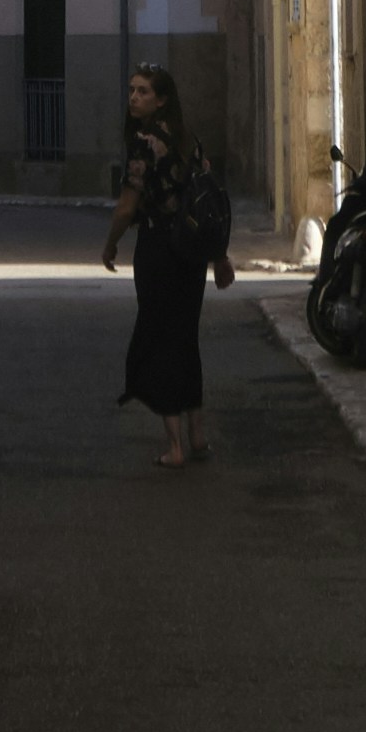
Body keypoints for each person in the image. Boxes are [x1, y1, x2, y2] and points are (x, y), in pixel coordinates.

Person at [101, 62, 221, 466]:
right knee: (185, 337)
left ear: (162, 99)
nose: (134, 98)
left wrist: (110, 246)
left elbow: (125, 208)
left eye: (144, 92)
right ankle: (198, 434)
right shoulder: (189, 141)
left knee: (159, 339)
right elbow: (208, 203)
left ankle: (174, 446)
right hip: (190, 253)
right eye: (132, 90)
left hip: (158, 248)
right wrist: (219, 257)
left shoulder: (143, 144)